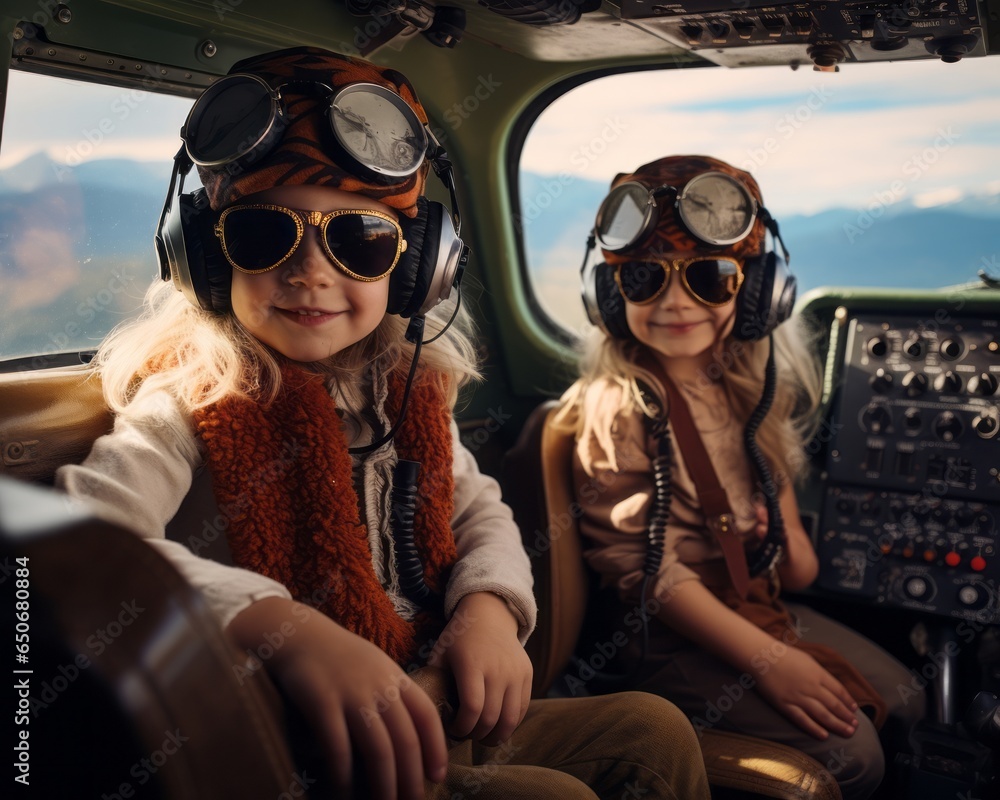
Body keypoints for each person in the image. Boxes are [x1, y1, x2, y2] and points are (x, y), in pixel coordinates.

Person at [55, 48, 711, 800]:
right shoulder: (191, 400)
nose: (311, 271)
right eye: (264, 236)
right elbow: (84, 545)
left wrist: (489, 609)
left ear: (416, 266)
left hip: (427, 699)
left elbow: (479, 511)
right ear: (205, 256)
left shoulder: (407, 393)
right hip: (296, 746)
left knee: (653, 730)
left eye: (359, 240)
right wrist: (284, 629)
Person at [558, 155, 924, 800]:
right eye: (644, 278)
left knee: (912, 700)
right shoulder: (619, 408)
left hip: (755, 602)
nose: (676, 302)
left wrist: (771, 537)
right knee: (856, 759)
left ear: (756, 293)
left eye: (710, 277)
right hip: (668, 634)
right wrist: (770, 662)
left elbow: (801, 573)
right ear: (611, 297)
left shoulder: (749, 395)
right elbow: (647, 574)